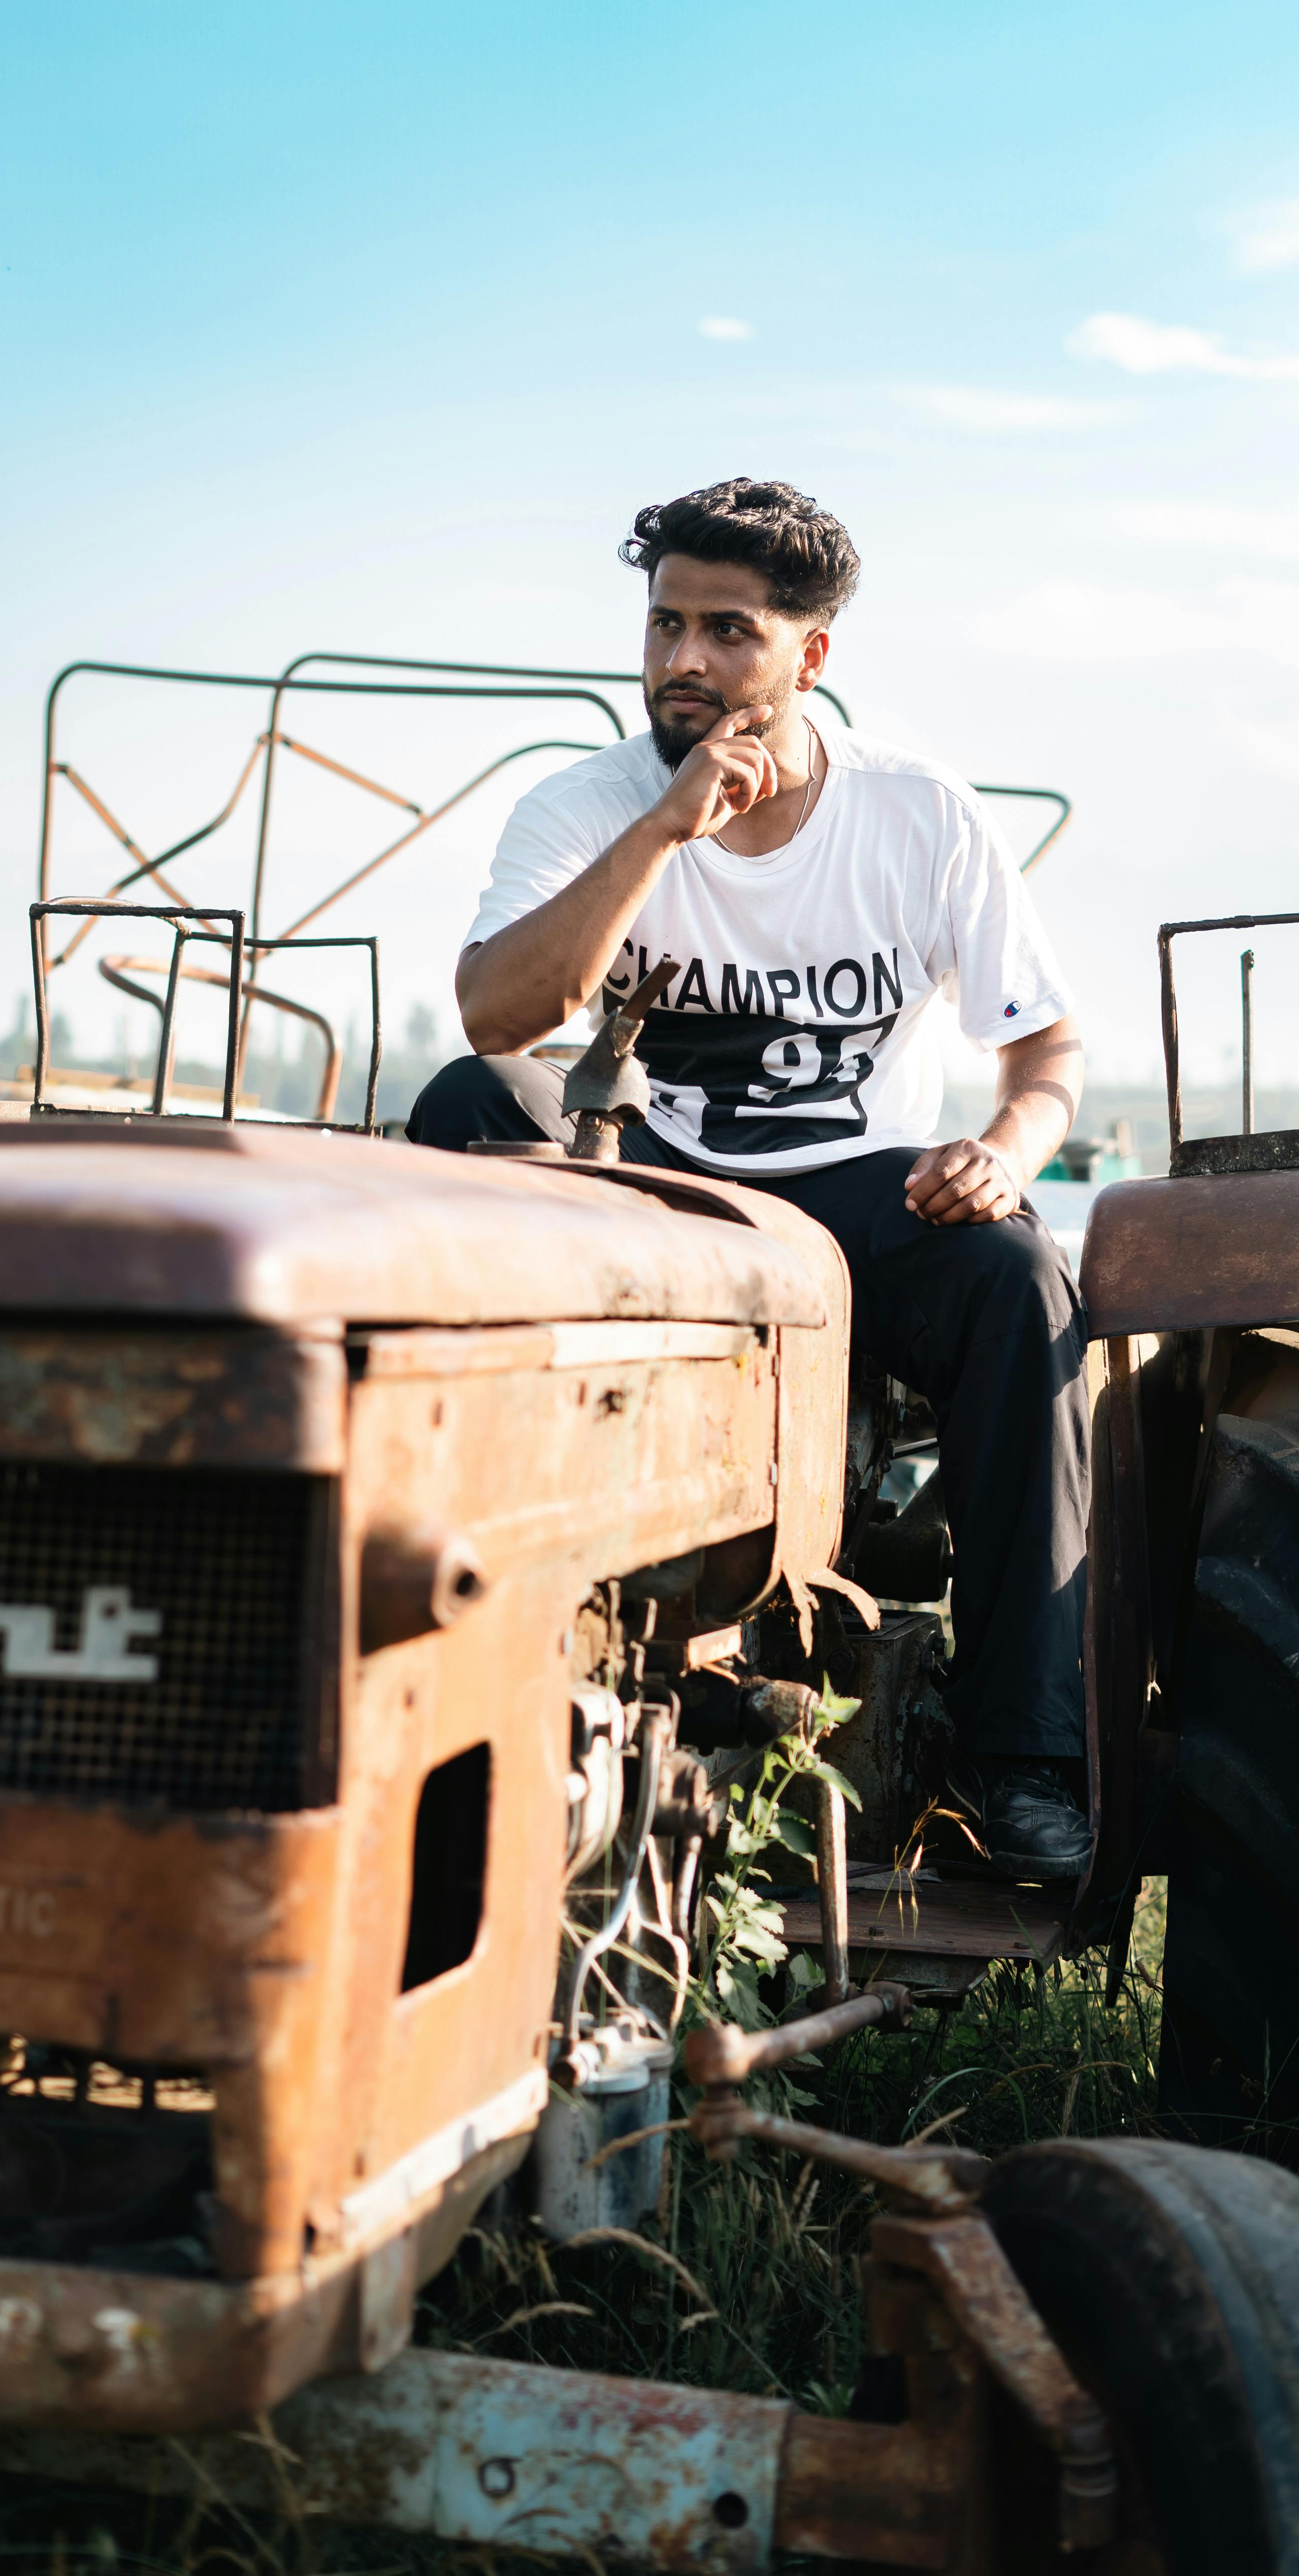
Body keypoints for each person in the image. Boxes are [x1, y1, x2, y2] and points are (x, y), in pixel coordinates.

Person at [409, 477, 1090, 1879]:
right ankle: (455, 1669)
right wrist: (663, 829)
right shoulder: (588, 803)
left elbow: (1048, 1052)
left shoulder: (921, 815)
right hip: (654, 1184)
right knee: (472, 1105)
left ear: (809, 658)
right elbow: (499, 1015)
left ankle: (1022, 1764)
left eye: (728, 632)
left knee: (1025, 1281)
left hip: (856, 1202)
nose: (683, 663)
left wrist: (1004, 1153)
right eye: (665, 626)